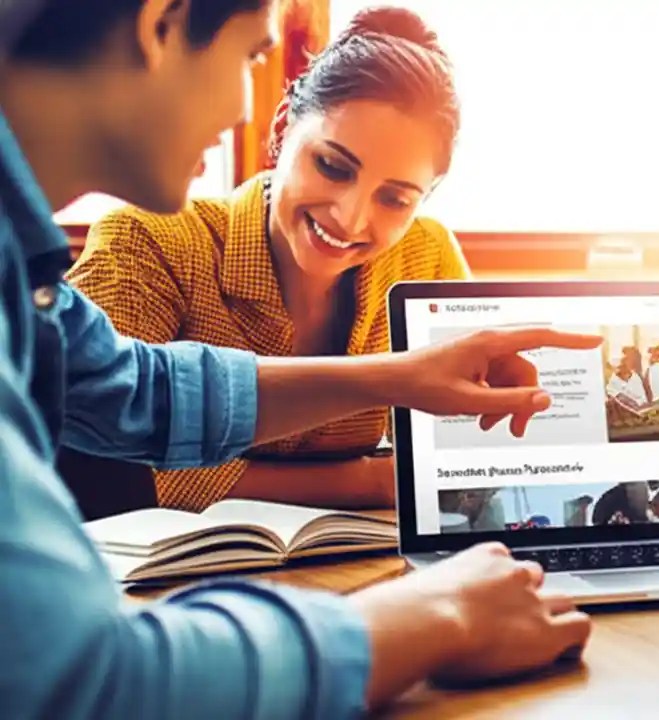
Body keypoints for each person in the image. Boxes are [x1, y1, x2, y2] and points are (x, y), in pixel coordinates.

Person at [0, 1, 596, 717]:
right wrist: (433, 615)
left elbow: (133, 390)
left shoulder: (19, 269)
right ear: (160, 24)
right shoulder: (142, 240)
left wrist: (399, 378)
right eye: (254, 55)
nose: (242, 106)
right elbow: (89, 686)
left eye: (395, 197)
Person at [65, 6, 469, 513]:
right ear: (282, 128)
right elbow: (102, 464)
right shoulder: (150, 241)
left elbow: (459, 461)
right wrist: (371, 482)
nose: (349, 217)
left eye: (395, 200)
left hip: (355, 562)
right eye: (331, 166)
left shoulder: (426, 255)